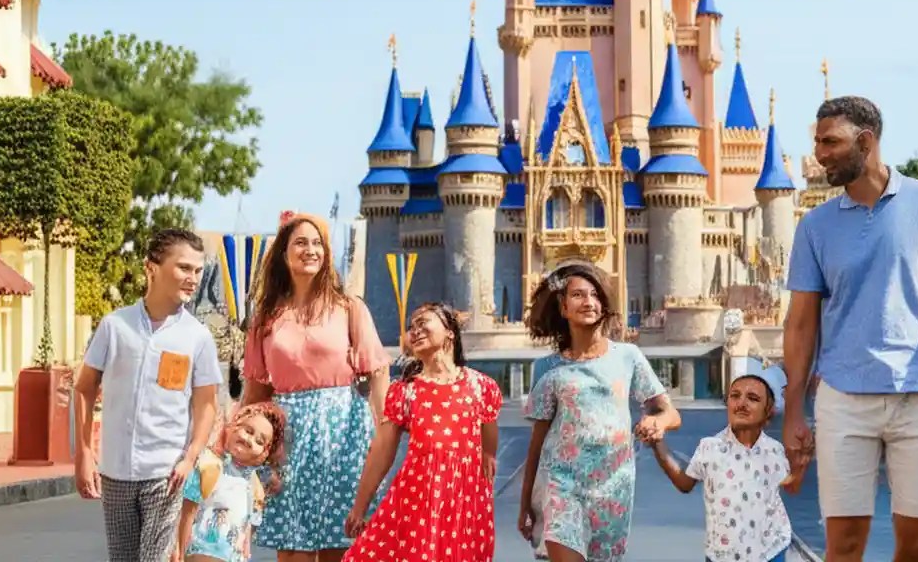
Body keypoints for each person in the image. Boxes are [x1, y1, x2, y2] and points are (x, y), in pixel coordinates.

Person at [781, 96, 918, 562]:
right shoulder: (814, 226)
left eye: (829, 142)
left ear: (865, 141)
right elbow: (800, 324)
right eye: (817, 142)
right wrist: (793, 409)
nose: (819, 153)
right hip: (843, 400)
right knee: (843, 547)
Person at [240, 211, 392, 562]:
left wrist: (382, 434)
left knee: (343, 543)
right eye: (300, 243)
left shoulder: (348, 308)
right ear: (283, 253)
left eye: (317, 243)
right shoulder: (265, 318)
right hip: (288, 440)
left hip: (345, 436)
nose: (310, 250)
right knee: (293, 549)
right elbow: (256, 392)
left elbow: (378, 372)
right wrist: (236, 446)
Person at [74, 228, 223, 562]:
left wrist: (190, 457)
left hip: (167, 473)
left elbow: (206, 404)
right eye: (184, 268)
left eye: (198, 270)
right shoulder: (115, 326)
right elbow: (84, 387)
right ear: (151, 267)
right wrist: (83, 451)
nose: (193, 278)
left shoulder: (197, 337)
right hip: (115, 472)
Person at [518, 262, 682, 562]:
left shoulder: (628, 357)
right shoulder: (547, 368)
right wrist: (525, 501)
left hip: (613, 486)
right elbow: (537, 441)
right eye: (578, 295)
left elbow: (671, 413)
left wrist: (657, 421)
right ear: (563, 307)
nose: (589, 301)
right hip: (561, 484)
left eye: (595, 295)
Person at [343, 303, 503, 562]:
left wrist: (481, 472)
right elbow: (381, 451)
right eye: (411, 327)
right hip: (418, 502)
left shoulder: (481, 387)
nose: (414, 331)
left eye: (422, 322)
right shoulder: (405, 392)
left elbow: (488, 446)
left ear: (450, 331)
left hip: (465, 507)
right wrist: (359, 508)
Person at [648, 374, 799, 562]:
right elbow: (684, 483)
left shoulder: (775, 450)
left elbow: (788, 485)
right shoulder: (710, 448)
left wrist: (800, 464)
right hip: (722, 555)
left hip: (770, 551)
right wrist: (657, 445)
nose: (742, 403)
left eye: (753, 398)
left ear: (768, 411)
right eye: (735, 396)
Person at [174, 401, 288, 562]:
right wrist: (179, 550)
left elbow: (247, 527)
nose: (250, 440)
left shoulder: (255, 487)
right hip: (200, 552)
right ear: (233, 427)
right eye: (248, 431)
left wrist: (245, 550)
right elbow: (187, 512)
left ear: (264, 454)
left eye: (259, 441)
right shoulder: (209, 466)